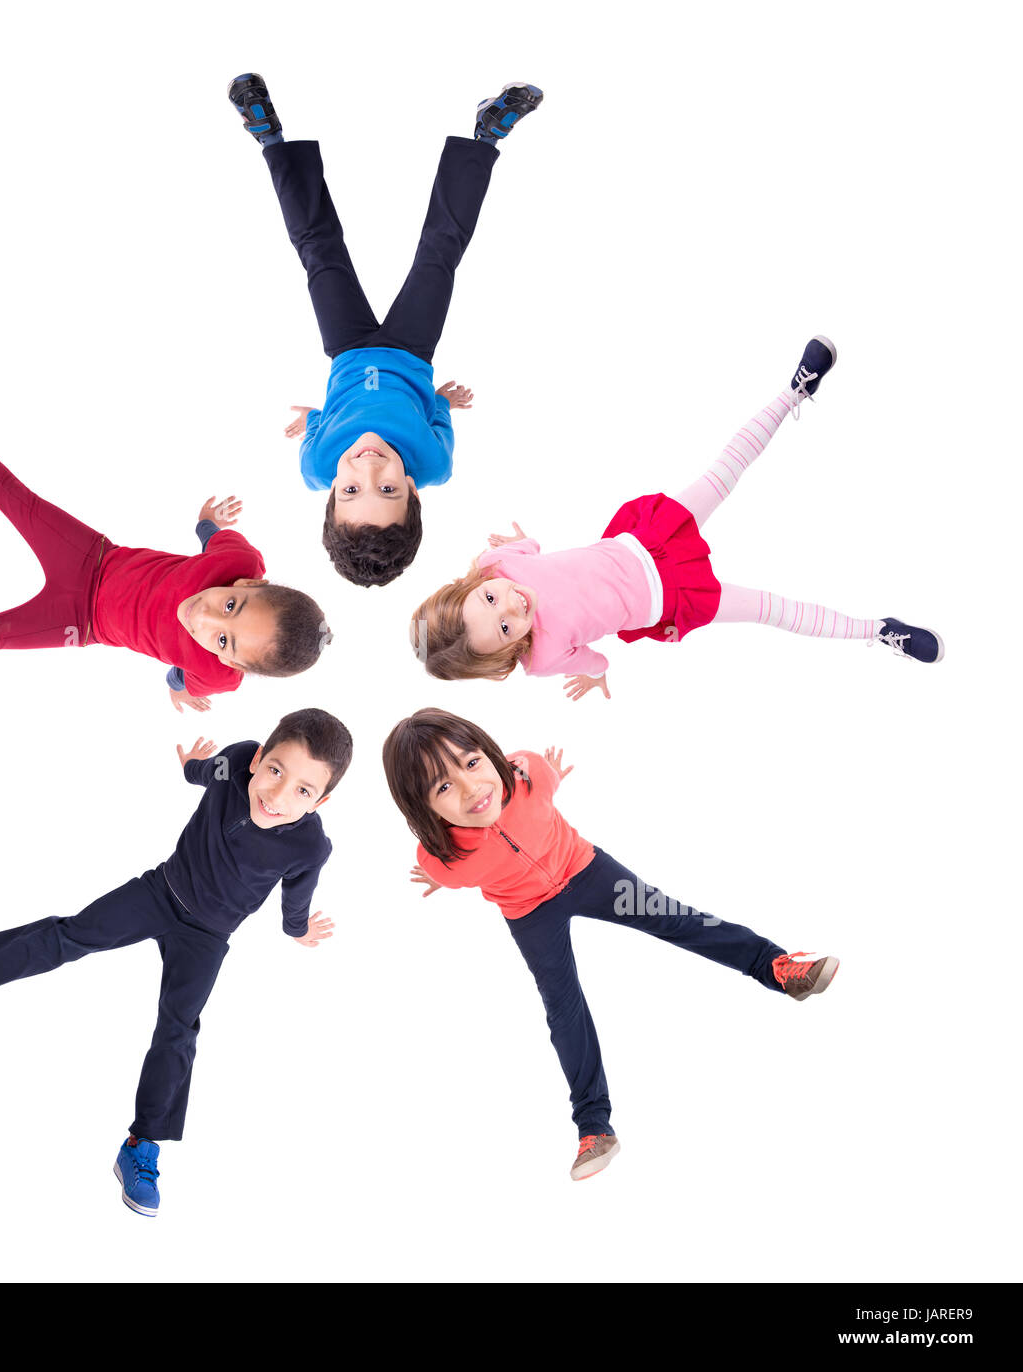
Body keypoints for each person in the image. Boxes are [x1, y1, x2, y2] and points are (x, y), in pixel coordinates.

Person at [0, 708, 353, 1215]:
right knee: (72, 935)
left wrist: (298, 929)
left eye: (304, 790)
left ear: (321, 801)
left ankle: (140, 1146)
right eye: (276, 770)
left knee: (178, 1032)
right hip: (159, 891)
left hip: (208, 937)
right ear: (259, 759)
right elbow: (204, 772)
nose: (279, 795)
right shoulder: (236, 760)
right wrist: (192, 765)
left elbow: (295, 901)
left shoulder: (311, 845)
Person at [383, 707, 838, 1181]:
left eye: (471, 763)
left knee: (675, 919)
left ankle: (779, 968)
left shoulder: (530, 773)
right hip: (531, 913)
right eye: (442, 787)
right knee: (563, 1007)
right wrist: (440, 878)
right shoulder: (446, 861)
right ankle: (594, 1128)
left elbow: (541, 777)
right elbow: (447, 870)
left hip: (588, 873)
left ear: (490, 756)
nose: (471, 788)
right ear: (424, 810)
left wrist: (553, 774)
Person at [410, 339, 944, 697]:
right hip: (672, 599)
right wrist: (595, 680)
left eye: (489, 599)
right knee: (771, 609)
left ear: (475, 583)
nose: (510, 606)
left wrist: (523, 543)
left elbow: (527, 551)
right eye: (505, 627)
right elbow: (596, 661)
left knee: (724, 470)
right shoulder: (544, 657)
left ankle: (793, 391)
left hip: (645, 543)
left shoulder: (498, 566)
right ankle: (879, 631)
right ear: (505, 656)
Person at [0, 360, 331, 713]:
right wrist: (206, 518)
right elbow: (210, 533)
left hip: (80, 622)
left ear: (234, 665)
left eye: (224, 641)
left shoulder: (216, 677)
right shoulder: (236, 558)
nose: (206, 615)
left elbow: (182, 678)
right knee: (11, 493)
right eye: (233, 606)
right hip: (94, 560)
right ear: (253, 582)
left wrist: (176, 690)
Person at [228, 73, 543, 586]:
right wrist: (442, 398)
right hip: (411, 349)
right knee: (440, 252)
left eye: (351, 490)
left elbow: (321, 422)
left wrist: (314, 416)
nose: (368, 468)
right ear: (414, 490)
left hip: (348, 350)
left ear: (331, 493)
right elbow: (436, 415)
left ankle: (271, 140)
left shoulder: (315, 466)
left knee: (317, 247)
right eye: (389, 490)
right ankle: (486, 137)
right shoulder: (435, 463)